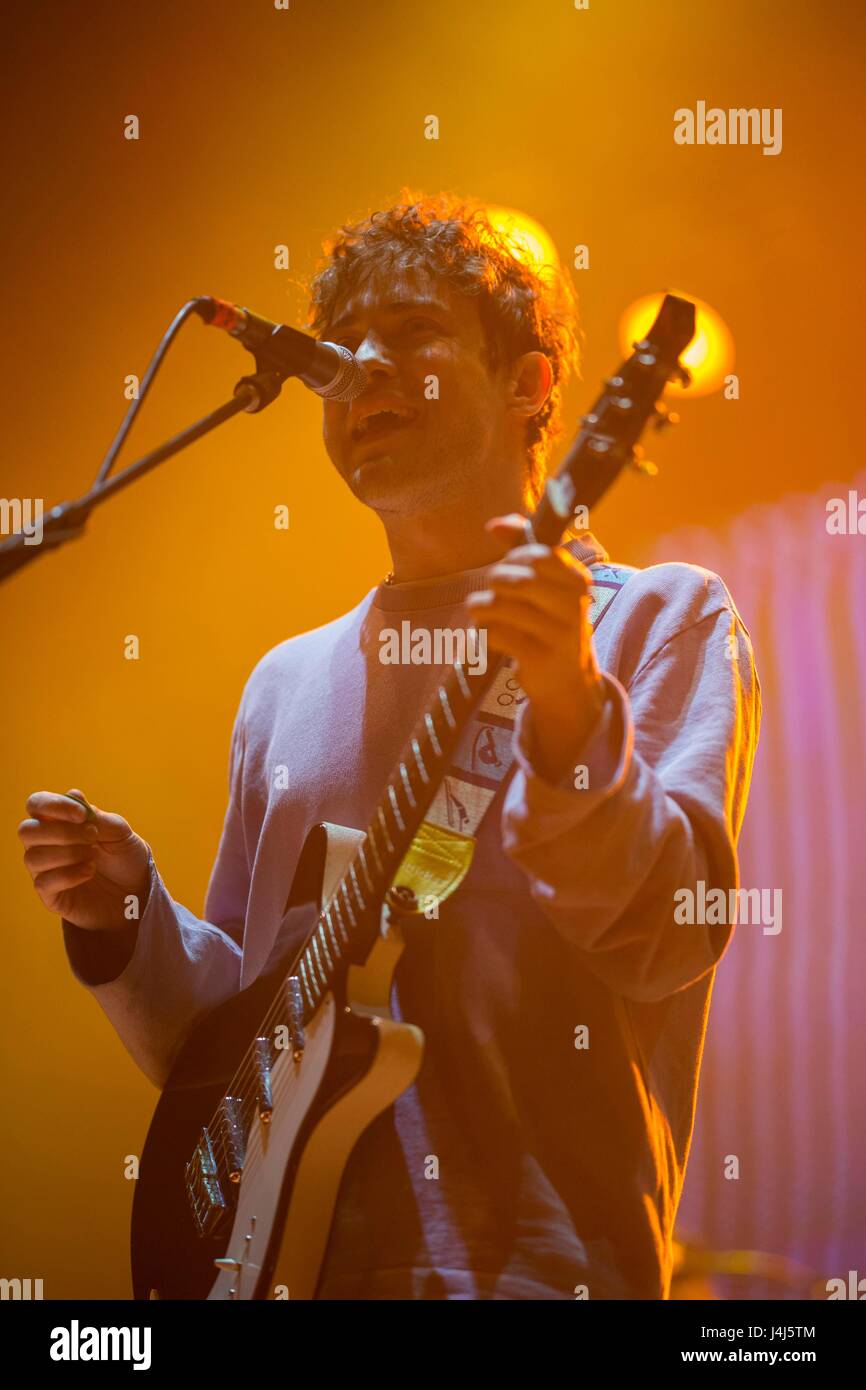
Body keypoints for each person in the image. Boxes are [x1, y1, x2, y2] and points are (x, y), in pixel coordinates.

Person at [18, 192, 761, 1300]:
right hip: (280, 1273)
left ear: (531, 384)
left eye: (410, 332)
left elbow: (664, 933)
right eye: (345, 338)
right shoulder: (285, 681)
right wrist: (128, 919)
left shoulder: (655, 620)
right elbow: (234, 1043)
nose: (361, 365)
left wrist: (565, 704)